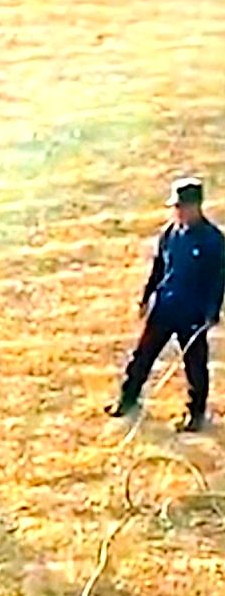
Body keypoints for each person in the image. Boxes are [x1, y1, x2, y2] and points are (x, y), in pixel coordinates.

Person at [106, 177, 225, 432]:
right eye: (175, 206)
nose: (176, 211)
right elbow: (159, 268)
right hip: (164, 307)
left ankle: (195, 414)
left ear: (195, 206)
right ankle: (127, 400)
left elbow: (218, 279)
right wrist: (146, 297)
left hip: (192, 314)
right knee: (142, 355)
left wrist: (211, 313)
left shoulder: (213, 240)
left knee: (195, 365)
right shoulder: (170, 233)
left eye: (180, 206)